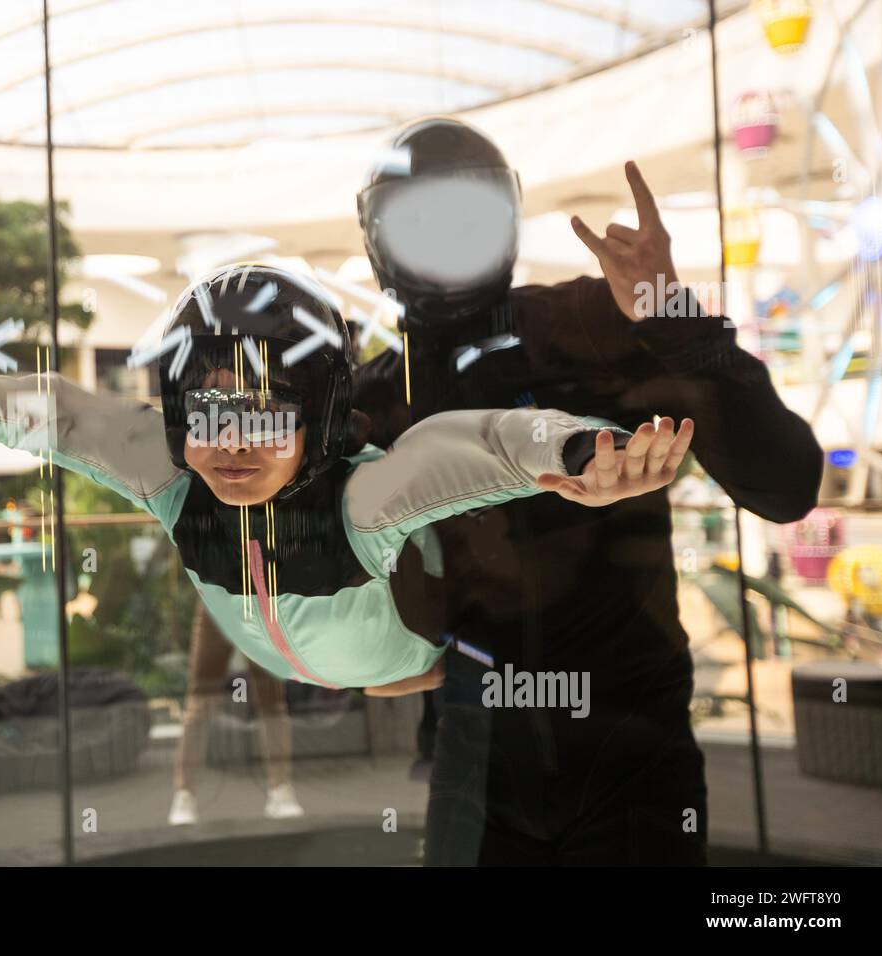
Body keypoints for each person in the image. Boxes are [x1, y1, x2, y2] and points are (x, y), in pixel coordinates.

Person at [0, 264, 690, 694]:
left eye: (263, 416)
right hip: (301, 661)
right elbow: (45, 408)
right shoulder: (171, 479)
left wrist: (579, 454)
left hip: (419, 660)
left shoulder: (360, 500)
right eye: (207, 417)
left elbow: (476, 442)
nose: (230, 446)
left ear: (319, 418)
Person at [352, 117, 824, 864]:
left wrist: (673, 317)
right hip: (478, 761)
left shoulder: (593, 320)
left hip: (630, 761)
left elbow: (788, 487)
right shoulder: (371, 399)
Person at [169, 602, 302, 826]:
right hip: (215, 597)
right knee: (199, 703)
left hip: (260, 599)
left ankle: (280, 789)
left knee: (273, 701)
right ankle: (184, 794)